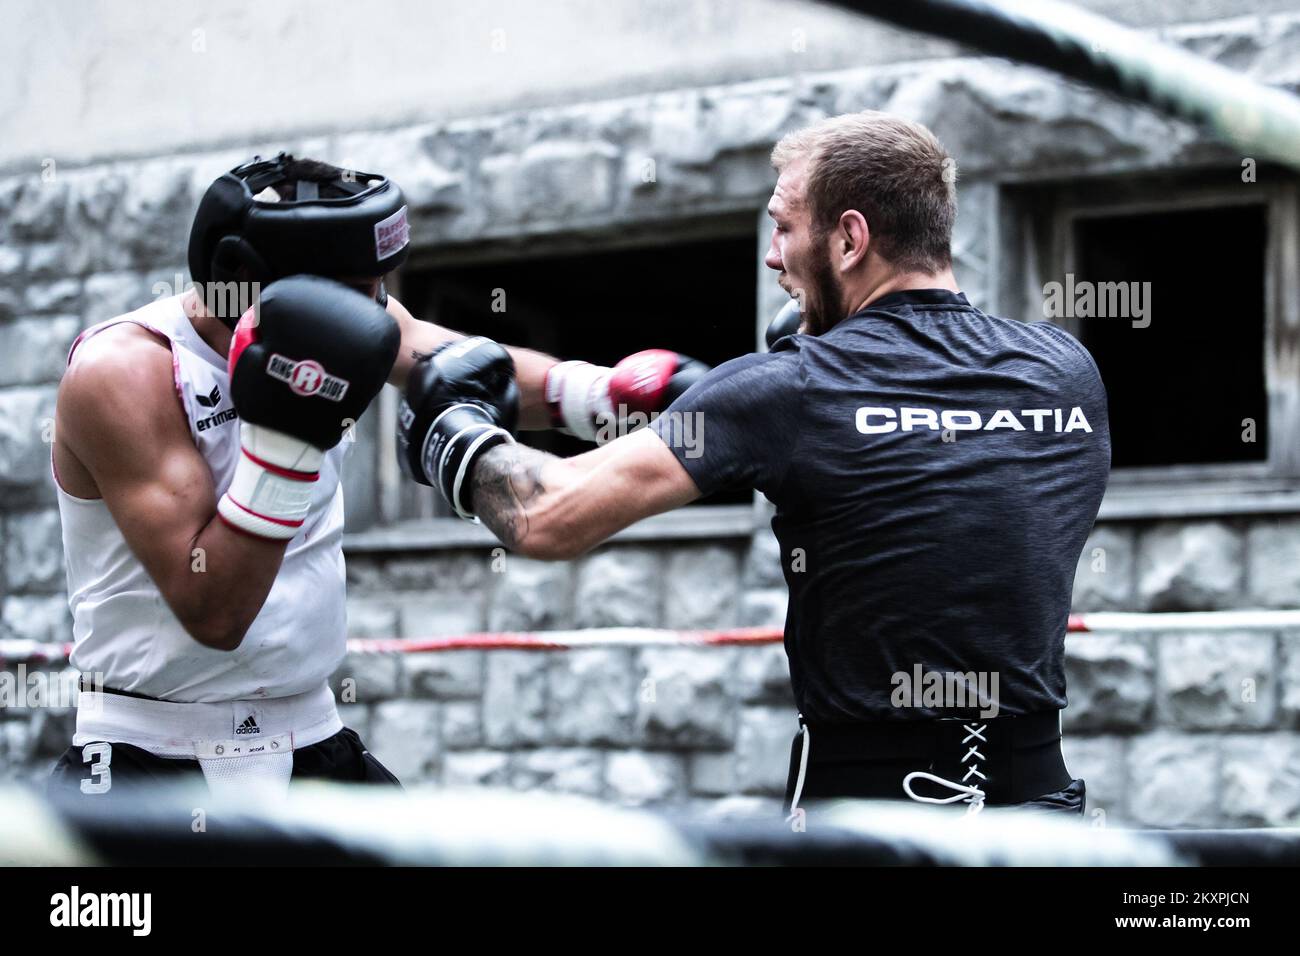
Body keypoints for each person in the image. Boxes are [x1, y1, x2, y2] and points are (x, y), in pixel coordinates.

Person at [395, 112, 1111, 819]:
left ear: (850, 239)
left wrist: (454, 434)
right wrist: (597, 396)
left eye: (784, 227)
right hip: (1041, 811)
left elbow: (546, 514)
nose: (772, 257)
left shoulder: (791, 388)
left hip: (872, 819)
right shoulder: (1063, 370)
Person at [48, 153, 704, 800]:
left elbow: (463, 369)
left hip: (309, 737)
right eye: (353, 290)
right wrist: (287, 443)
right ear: (246, 278)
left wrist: (601, 395)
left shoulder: (345, 319)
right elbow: (215, 612)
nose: (374, 311)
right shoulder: (126, 371)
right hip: (147, 754)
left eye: (377, 285)